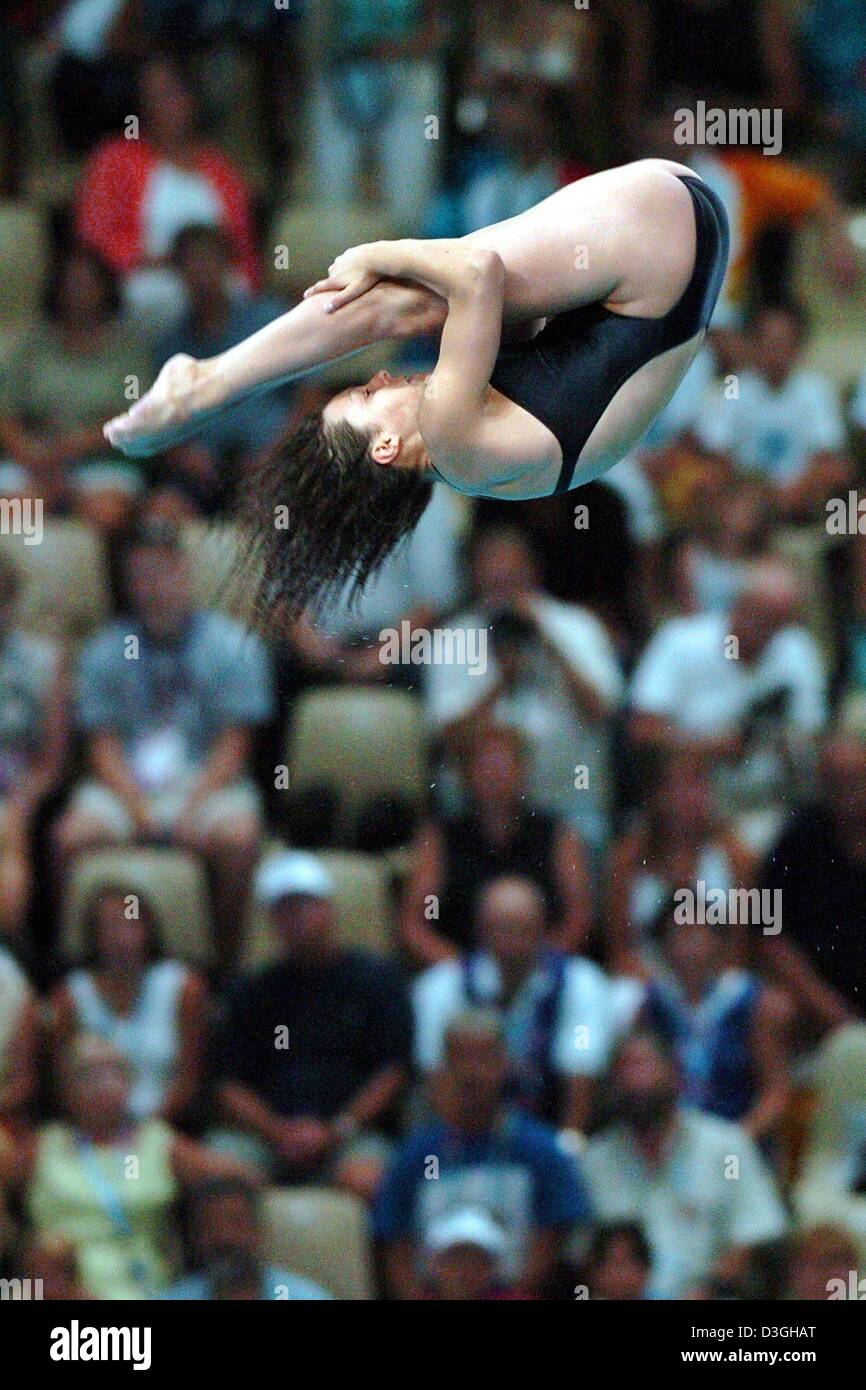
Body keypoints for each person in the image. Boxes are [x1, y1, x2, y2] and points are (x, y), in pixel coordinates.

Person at [104, 158, 729, 615]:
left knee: (423, 302)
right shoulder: (451, 439)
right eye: (367, 398)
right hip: (663, 239)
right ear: (384, 450)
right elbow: (477, 275)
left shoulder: (476, 461)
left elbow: (525, 321)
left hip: (675, 247)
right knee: (399, 302)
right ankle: (208, 384)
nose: (378, 377)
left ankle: (209, 383)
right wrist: (378, 251)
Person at [53, 516, 273, 965]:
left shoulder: (233, 645)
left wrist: (191, 808)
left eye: (163, 572)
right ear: (127, 585)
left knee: (238, 840)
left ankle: (222, 964)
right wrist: (137, 810)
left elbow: (234, 745)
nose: (153, 587)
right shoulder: (104, 650)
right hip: (128, 782)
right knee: (71, 837)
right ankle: (79, 965)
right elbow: (102, 745)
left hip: (205, 781)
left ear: (185, 572)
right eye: (140, 576)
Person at [214, 851, 412, 1200]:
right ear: (271, 920)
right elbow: (229, 1085)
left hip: (352, 1133)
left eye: (305, 905)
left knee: (368, 1180)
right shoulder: (252, 991)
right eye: (284, 910)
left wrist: (337, 1130)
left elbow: (392, 1072)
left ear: (327, 908)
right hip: (268, 1136)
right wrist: (276, 1131)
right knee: (222, 1178)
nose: (296, 918)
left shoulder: (378, 980)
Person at [2, 1035, 251, 1301]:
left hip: (148, 1289)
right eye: (90, 1074)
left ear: (131, 1082)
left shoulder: (159, 1141)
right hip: (60, 1289)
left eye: (115, 1071)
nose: (105, 1083)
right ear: (64, 1087)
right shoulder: (42, 1146)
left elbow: (239, 1179)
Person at [372, 1009, 591, 1300]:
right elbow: (395, 1245)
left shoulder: (541, 1151)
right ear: (441, 1068)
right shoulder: (416, 1155)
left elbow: (552, 1242)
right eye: (460, 1059)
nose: (471, 1074)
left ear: (505, 1064)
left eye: (483, 1059)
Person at [582, 1029, 787, 1299]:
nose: (634, 1082)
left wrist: (708, 1289)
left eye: (643, 1066)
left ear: (674, 1075)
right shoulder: (594, 1161)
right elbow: (583, 1253)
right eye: (624, 1070)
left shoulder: (726, 1149)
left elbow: (752, 1234)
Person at [75, 54, 259, 335]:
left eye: (169, 93)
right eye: (150, 96)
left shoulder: (219, 168)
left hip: (218, 287)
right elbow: (94, 241)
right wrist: (166, 261)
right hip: (145, 284)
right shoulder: (113, 159)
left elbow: (242, 249)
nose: (160, 105)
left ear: (191, 99)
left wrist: (209, 271)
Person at [413, 876, 614, 1133]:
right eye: (502, 928)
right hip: (467, 1136)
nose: (512, 942)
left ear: (542, 928)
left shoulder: (580, 981)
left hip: (549, 1135)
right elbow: (436, 1075)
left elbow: (582, 1075)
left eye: (523, 929)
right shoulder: (441, 986)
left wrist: (566, 1150)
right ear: (481, 930)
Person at [400, 723, 592, 965]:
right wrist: (460, 969)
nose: (495, 776)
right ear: (465, 774)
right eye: (484, 767)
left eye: (503, 766)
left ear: (523, 772)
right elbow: (417, 921)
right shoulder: (440, 836)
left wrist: (539, 966)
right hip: (458, 966)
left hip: (543, 968)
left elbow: (577, 916)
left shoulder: (556, 834)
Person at [0, 243, 153, 533]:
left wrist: (69, 448)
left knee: (105, 517)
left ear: (105, 288)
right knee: (15, 518)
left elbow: (135, 413)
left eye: (87, 283)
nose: (79, 292)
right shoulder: (31, 343)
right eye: (71, 283)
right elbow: (6, 408)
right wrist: (28, 453)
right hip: (33, 458)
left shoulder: (128, 349)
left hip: (101, 461)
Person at [48, 885, 208, 1124]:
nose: (122, 936)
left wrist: (146, 1131)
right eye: (111, 926)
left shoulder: (183, 987)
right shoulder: (70, 996)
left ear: (148, 929)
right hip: (92, 1130)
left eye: (131, 924)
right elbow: (63, 1082)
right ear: (94, 935)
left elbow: (190, 1078)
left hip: (166, 1126)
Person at [638, 899, 793, 1141]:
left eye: (696, 933)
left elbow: (776, 1093)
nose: (688, 946)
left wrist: (736, 1140)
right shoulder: (655, 1003)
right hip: (669, 1145)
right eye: (677, 933)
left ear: (718, 941)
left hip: (736, 1138)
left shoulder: (748, 1001)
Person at [0, 556, 69, 943]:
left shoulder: (45, 661)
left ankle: (10, 949)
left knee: (9, 830)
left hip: (17, 786)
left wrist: (24, 800)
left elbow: (51, 763)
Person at [159, 1175, 331, 1301]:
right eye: (210, 1227)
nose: (224, 1237)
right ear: (195, 1238)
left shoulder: (303, 1296)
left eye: (236, 1224)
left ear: (258, 1232)